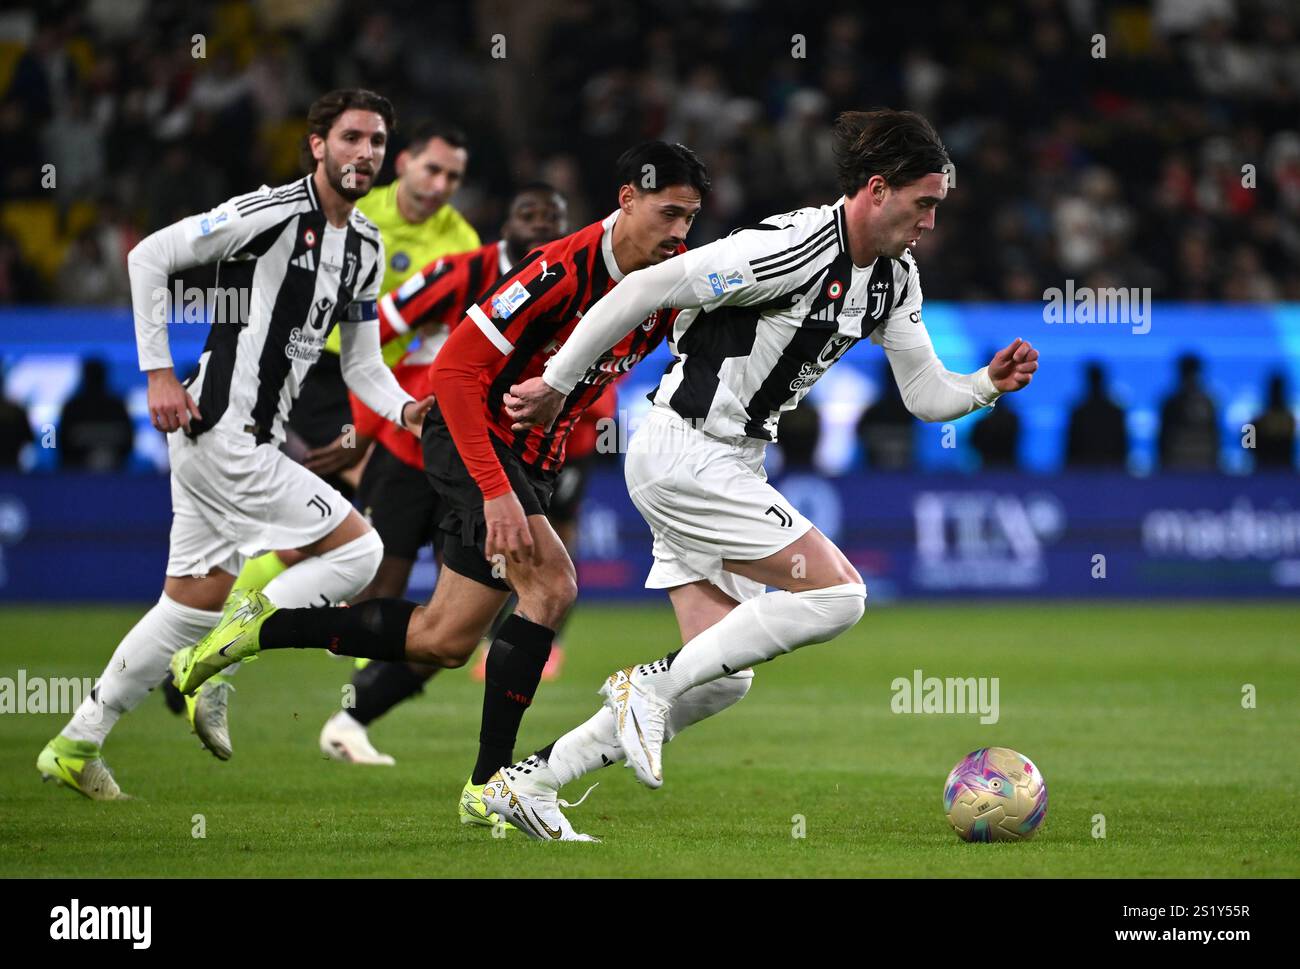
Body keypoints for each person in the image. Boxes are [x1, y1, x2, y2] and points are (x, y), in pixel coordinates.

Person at [491, 108, 1041, 839]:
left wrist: (986, 384)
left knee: (723, 676)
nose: (930, 223)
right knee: (840, 594)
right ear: (877, 189)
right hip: (685, 451)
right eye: (923, 204)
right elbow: (641, 290)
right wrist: (560, 380)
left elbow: (923, 394)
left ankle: (531, 782)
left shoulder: (893, 280)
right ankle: (644, 687)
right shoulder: (789, 247)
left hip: (725, 462)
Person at [173, 143, 726, 835]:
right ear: (626, 201)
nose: (680, 231)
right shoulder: (557, 270)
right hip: (470, 437)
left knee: (443, 638)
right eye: (668, 213)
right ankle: (492, 785)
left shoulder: (662, 284)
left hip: (532, 462)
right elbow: (455, 371)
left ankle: (256, 626)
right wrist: (494, 490)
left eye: (691, 218)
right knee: (552, 586)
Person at [36, 89, 432, 800]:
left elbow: (363, 364)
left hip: (233, 441)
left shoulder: (365, 248)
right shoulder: (270, 211)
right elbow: (150, 257)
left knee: (189, 604)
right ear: (318, 145)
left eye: (376, 141)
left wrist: (406, 410)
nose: (364, 153)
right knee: (360, 549)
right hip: (224, 434)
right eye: (350, 138)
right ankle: (221, 660)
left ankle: (75, 742)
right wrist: (158, 372)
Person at [313, 183, 571, 765]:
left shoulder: (569, 291)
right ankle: (274, 626)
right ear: (505, 222)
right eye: (527, 211)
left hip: (498, 465)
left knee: (460, 623)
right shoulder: (462, 272)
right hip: (414, 456)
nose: (538, 223)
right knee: (380, 587)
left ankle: (353, 716)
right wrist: (369, 425)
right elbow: (370, 335)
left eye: (551, 216)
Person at [231, 121, 480, 595]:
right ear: (404, 163)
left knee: (325, 530)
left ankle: (227, 625)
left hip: (390, 386)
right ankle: (366, 655)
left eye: (453, 179)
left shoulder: (462, 240)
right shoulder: (355, 212)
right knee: (380, 495)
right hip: (321, 374)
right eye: (432, 170)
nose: (440, 186)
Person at [58, 358, 134, 471]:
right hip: (76, 473)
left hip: (115, 473)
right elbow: (61, 444)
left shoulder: (117, 406)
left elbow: (129, 441)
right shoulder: (73, 407)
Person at [1158, 353, 1219, 470]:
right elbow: (1163, 441)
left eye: (1193, 373)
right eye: (1187, 373)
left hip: (1205, 467)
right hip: (1175, 466)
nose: (1190, 378)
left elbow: (1215, 438)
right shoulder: (1171, 403)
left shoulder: (1208, 403)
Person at [1065, 361, 1128, 468]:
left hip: (1085, 471)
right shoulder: (1115, 412)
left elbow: (1071, 450)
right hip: (1108, 470)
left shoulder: (1079, 412)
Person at [1250, 372, 1295, 470]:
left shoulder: (1288, 419)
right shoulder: (1259, 421)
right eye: (1275, 391)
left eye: (1278, 391)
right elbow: (1248, 445)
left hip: (1284, 471)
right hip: (1263, 470)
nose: (1277, 394)